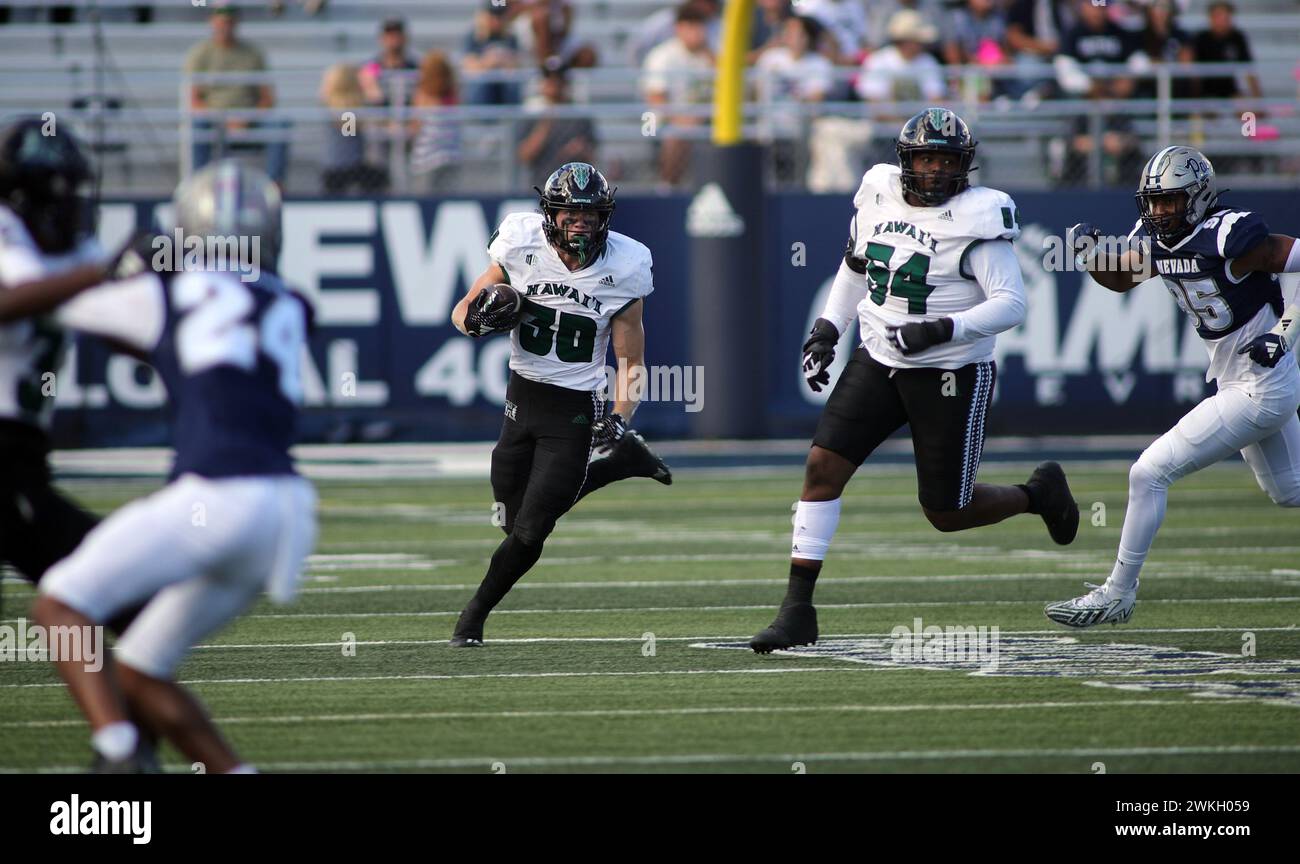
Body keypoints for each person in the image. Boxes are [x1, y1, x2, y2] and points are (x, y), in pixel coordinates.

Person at [3, 160, 317, 772]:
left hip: (218, 495)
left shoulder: (169, 290)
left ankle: (117, 754)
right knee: (141, 670)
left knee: (59, 606)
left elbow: (62, 308)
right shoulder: (290, 300)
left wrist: (112, 267)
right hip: (288, 512)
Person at [750, 108, 1080, 653]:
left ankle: (1037, 494)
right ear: (904, 161)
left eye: (945, 161)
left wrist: (941, 330)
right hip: (880, 357)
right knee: (820, 467)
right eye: (925, 158)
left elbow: (1011, 304)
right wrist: (829, 328)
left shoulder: (980, 219)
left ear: (963, 167)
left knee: (947, 513)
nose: (933, 171)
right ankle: (796, 610)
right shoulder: (877, 192)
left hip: (951, 371)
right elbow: (856, 267)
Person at [1047, 147, 1300, 627]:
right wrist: (1090, 256)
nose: (1161, 212)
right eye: (1155, 202)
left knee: (1148, 473)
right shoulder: (1159, 238)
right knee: (1290, 490)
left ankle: (1117, 593)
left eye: (1171, 202)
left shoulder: (1229, 233)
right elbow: (1121, 279)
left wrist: (1285, 333)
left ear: (1200, 197)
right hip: (1241, 379)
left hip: (1259, 386)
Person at [446, 162, 672, 647]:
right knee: (509, 518)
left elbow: (631, 359)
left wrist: (618, 417)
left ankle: (472, 618)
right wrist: (479, 322)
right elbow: (462, 312)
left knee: (529, 533)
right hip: (520, 397)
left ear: (604, 217)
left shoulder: (626, 265)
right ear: (549, 213)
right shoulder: (520, 242)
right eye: (571, 213)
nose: (580, 224)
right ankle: (618, 465)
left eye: (590, 216)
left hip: (573, 408)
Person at [183, 3, 286, 184]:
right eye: (221, 21)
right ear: (212, 22)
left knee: (279, 125)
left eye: (229, 21)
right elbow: (194, 101)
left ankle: (274, 185)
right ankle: (198, 183)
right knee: (196, 125)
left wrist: (246, 118)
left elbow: (267, 98)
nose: (225, 26)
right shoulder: (200, 53)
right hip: (213, 120)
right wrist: (221, 120)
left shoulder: (253, 53)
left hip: (248, 118)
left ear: (236, 23)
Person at [641, 3, 715, 186]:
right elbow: (656, 100)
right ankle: (667, 186)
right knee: (676, 135)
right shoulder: (662, 56)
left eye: (701, 26)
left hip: (702, 121)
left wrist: (710, 55)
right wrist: (683, 120)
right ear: (679, 28)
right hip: (660, 123)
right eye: (693, 26)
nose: (699, 32)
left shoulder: (707, 56)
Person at [516, 67, 597, 179]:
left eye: (559, 80)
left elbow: (592, 155)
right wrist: (545, 125)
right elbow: (525, 155)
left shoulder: (579, 116)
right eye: (550, 80)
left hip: (573, 184)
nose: (554, 84)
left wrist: (579, 150)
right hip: (542, 183)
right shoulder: (532, 113)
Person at [319, 63, 388, 195]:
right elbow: (348, 130)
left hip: (353, 166)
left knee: (379, 173)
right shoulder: (338, 109)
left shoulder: (352, 109)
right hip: (339, 169)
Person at [410, 50, 462, 193]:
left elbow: (415, 126)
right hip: (450, 155)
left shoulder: (422, 96)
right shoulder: (453, 96)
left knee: (425, 199)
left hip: (426, 158)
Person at [463, 2, 524, 106]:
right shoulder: (473, 37)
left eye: (500, 15)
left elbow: (517, 66)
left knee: (511, 83)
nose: (496, 20)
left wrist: (505, 61)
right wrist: (489, 62)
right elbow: (469, 68)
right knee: (483, 82)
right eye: (493, 15)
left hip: (504, 88)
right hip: (482, 90)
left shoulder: (511, 38)